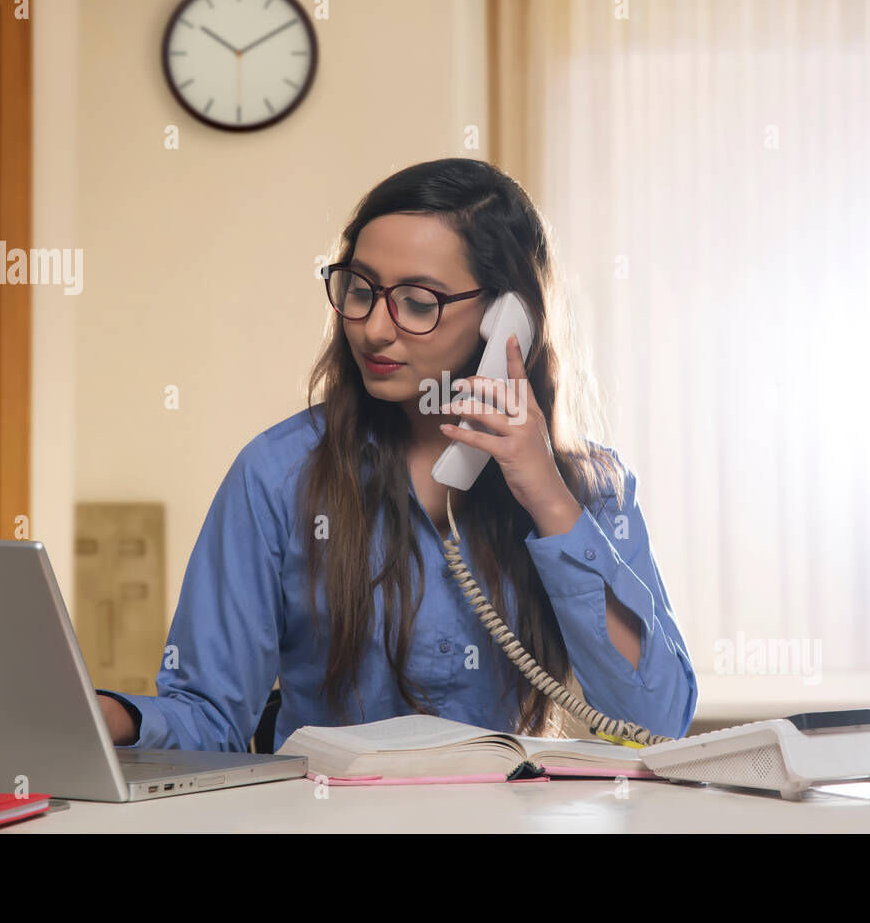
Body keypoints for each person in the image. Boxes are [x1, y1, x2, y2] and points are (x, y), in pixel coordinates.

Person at [97, 157, 697, 751]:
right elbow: (210, 719)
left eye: (417, 301)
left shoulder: (590, 488)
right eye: (360, 290)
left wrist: (547, 499)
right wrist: (110, 717)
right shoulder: (276, 475)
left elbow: (657, 723)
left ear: (506, 320)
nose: (374, 329)